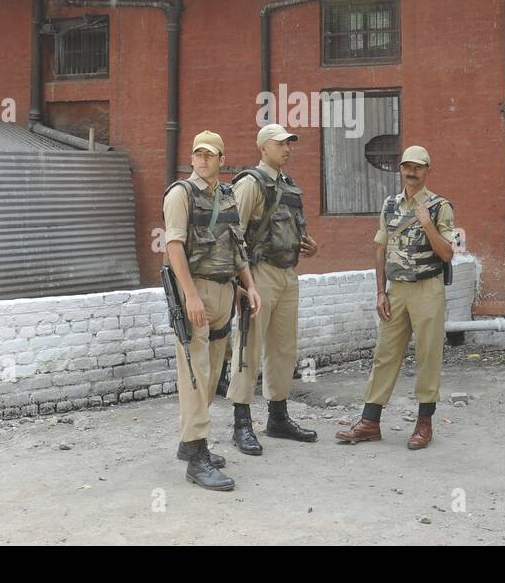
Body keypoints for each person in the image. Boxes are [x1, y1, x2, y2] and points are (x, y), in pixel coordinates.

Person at [336, 145, 455, 451]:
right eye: (406, 166)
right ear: (400, 169)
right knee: (385, 353)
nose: (412, 171)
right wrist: (380, 292)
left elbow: (447, 252)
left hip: (428, 288)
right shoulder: (390, 205)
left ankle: (424, 422)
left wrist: (427, 223)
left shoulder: (440, 207)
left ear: (427, 170)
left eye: (418, 167)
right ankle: (370, 421)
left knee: (428, 355)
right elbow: (381, 248)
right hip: (396, 290)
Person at [163, 131, 262, 491]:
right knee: (194, 375)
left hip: (225, 291)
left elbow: (238, 245)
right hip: (197, 292)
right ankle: (197, 458)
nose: (202, 160)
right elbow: (174, 246)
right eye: (197, 154)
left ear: (222, 159)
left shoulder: (226, 195)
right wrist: (189, 295)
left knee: (209, 375)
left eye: (210, 155)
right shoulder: (181, 194)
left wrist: (248, 284)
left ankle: (190, 443)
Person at [226, 123, 320, 454]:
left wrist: (309, 247)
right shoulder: (251, 183)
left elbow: (290, 230)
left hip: (287, 274)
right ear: (263, 148)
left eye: (289, 143)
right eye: (280, 144)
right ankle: (241, 422)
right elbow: (231, 232)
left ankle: (277, 417)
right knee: (248, 347)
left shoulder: (288, 185)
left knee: (283, 349)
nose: (288, 148)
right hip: (259, 274)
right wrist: (241, 281)